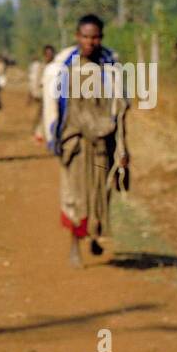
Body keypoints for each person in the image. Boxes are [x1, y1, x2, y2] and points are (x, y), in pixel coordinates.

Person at [45, 14, 130, 267]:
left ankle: (95, 233)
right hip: (76, 145)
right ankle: (74, 246)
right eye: (85, 36)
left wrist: (124, 148)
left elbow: (120, 110)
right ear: (77, 36)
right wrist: (55, 137)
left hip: (104, 146)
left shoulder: (111, 67)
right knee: (74, 196)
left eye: (95, 37)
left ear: (101, 38)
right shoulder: (65, 67)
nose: (90, 42)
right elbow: (55, 109)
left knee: (100, 193)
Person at [29, 44, 55, 143]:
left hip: (54, 95)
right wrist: (35, 93)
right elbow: (37, 81)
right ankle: (39, 133)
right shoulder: (41, 66)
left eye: (51, 53)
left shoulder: (57, 66)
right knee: (41, 115)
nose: (49, 55)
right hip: (43, 95)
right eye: (47, 54)